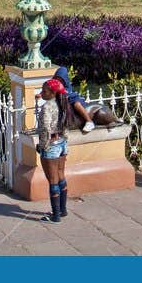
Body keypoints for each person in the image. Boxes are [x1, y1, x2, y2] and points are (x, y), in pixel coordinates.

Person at [36, 78, 70, 222]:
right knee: (61, 175)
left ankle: (55, 216)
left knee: (53, 180)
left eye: (44, 91)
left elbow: (45, 129)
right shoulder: (63, 103)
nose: (41, 93)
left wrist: (42, 146)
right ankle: (62, 210)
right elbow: (67, 124)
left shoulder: (47, 107)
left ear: (52, 93)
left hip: (51, 145)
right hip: (62, 142)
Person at [53, 65, 95, 132]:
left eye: (61, 79)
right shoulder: (54, 85)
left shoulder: (67, 86)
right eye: (57, 79)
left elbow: (67, 94)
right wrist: (41, 94)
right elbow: (48, 89)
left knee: (77, 104)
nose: (59, 81)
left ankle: (89, 121)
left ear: (64, 79)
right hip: (63, 101)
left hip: (73, 99)